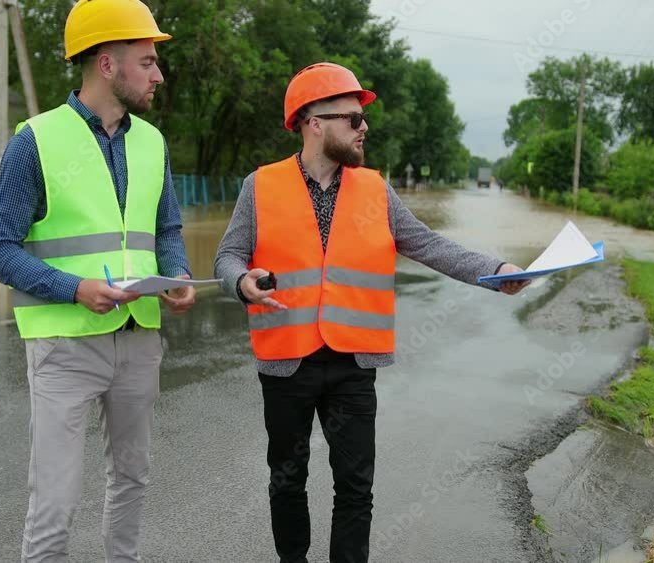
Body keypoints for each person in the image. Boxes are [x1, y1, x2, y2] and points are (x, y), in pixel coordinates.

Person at [213, 62, 530, 563]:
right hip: (286, 361)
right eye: (354, 119)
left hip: (353, 365)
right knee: (287, 480)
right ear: (315, 122)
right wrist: (240, 281)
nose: (365, 128)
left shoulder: (374, 189)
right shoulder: (261, 186)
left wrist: (495, 270)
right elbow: (228, 254)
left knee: (355, 489)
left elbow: (425, 244)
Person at [0, 1, 195, 560]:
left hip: (139, 336)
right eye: (147, 62)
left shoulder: (152, 142)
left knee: (132, 479)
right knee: (54, 499)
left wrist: (178, 275)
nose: (158, 74)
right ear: (106, 64)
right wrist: (74, 289)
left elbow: (166, 226)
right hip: (65, 346)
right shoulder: (37, 140)